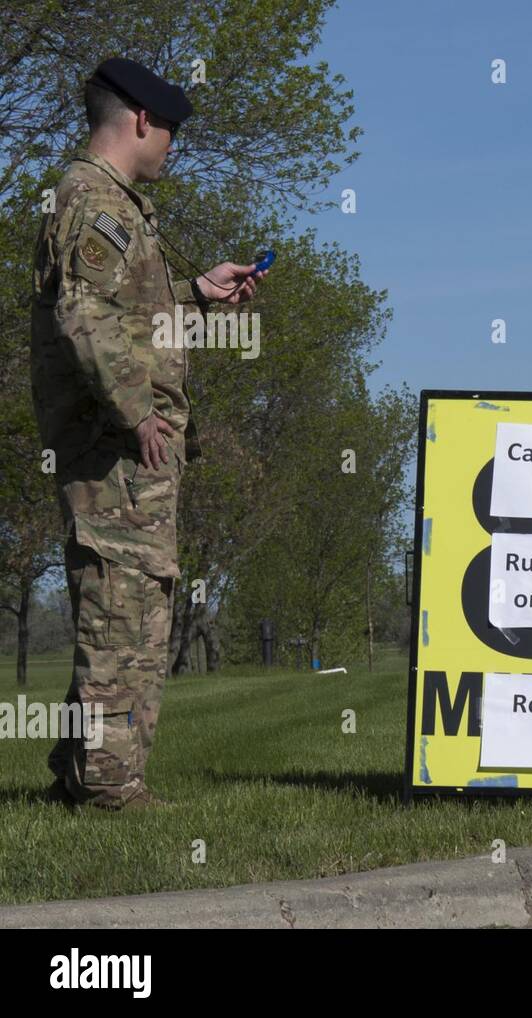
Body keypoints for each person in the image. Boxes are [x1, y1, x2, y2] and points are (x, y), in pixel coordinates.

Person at [31, 57, 267, 810]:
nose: (172, 145)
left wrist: (198, 295)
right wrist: (138, 412)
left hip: (126, 450)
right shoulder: (91, 201)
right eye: (170, 129)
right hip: (115, 451)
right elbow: (86, 320)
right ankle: (109, 789)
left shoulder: (116, 206)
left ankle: (82, 771)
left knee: (127, 605)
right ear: (139, 120)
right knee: (124, 615)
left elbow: (132, 321)